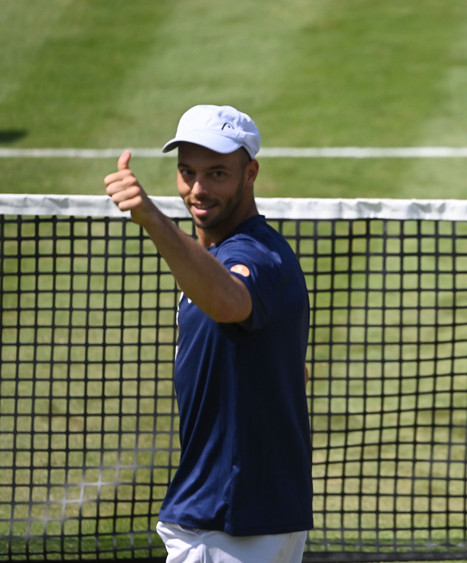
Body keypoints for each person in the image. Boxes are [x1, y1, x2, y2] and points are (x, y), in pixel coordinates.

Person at [104, 105, 312, 562]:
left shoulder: (254, 255)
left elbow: (230, 302)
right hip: (247, 516)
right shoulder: (225, 258)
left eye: (217, 173)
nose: (198, 190)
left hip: (228, 522)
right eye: (187, 172)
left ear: (250, 173)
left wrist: (152, 219)